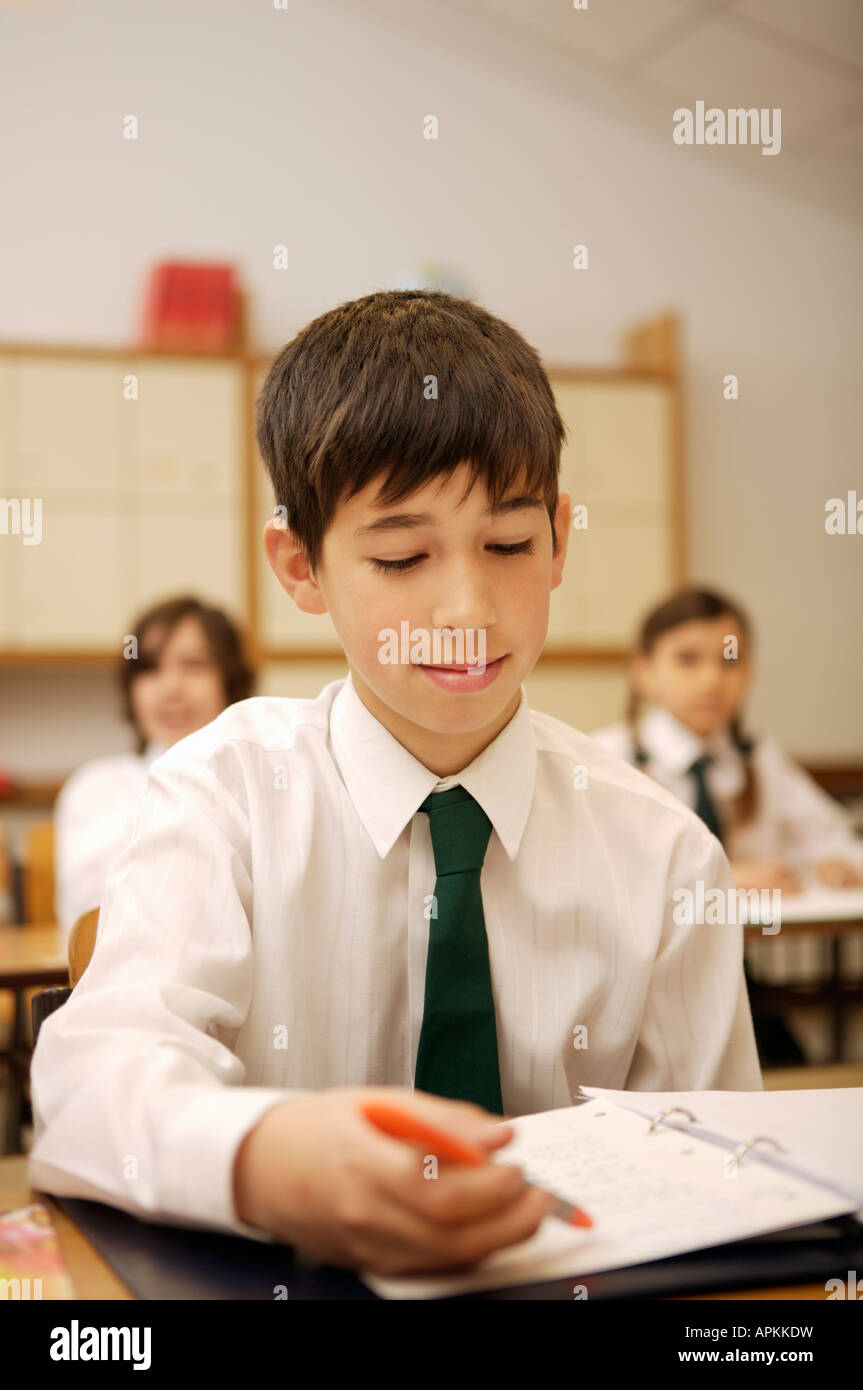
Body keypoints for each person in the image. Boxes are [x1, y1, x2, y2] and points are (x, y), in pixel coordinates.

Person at [30, 290, 761, 1280]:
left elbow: (730, 1171)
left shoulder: (663, 851)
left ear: (557, 539)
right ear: (300, 565)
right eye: (401, 555)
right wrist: (267, 1157)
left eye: (508, 544)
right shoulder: (224, 795)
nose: (464, 607)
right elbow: (89, 1086)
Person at [592, 586, 863, 1065]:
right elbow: (596, 876)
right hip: (631, 989)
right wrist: (721, 876)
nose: (712, 679)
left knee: (785, 1065)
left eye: (729, 660)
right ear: (644, 671)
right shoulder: (604, 759)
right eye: (688, 659)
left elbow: (833, 837)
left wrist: (836, 862)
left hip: (735, 978)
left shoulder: (759, 761)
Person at [53, 596, 255, 936]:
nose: (170, 687)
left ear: (231, 681)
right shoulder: (97, 788)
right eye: (150, 668)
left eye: (194, 664)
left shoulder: (262, 782)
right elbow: (93, 914)